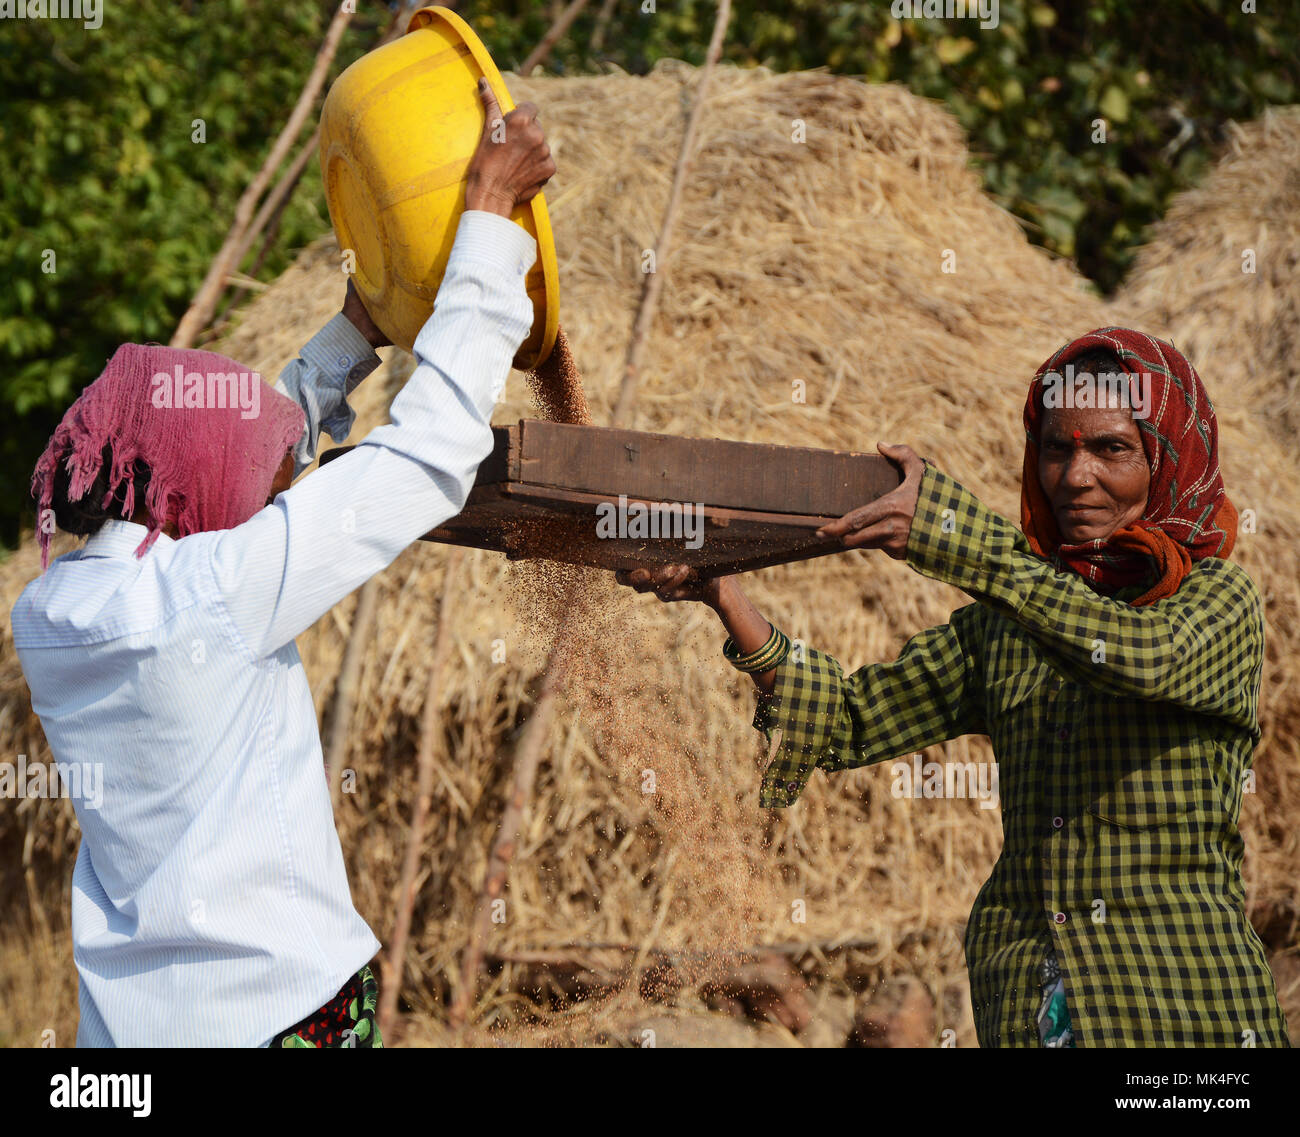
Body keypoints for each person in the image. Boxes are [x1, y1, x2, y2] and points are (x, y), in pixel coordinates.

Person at [10, 81, 555, 1048]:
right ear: (187, 499)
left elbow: (214, 460)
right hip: (279, 1018)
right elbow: (425, 456)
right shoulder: (212, 592)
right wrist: (484, 229)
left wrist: (358, 329)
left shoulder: (51, 610)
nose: (263, 481)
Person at [617, 328, 1291, 1048]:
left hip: (1180, 1015)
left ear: (1169, 460)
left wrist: (954, 533)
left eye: (1112, 448)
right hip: (1035, 1001)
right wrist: (722, 593)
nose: (1075, 476)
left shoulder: (1217, 601)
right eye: (1057, 449)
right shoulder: (1006, 624)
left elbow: (1139, 656)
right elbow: (848, 718)